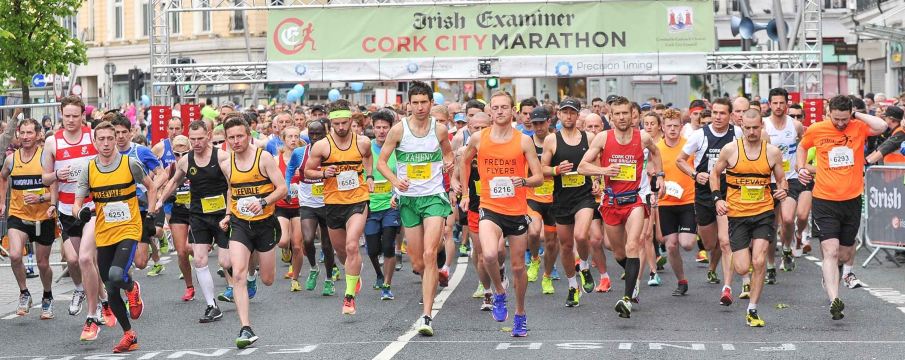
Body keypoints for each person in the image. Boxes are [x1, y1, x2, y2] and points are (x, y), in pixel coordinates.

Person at [460, 90, 543, 337]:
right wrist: (465, 194)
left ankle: (520, 313)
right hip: (490, 206)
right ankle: (498, 292)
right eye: (495, 108)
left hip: (517, 211)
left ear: (512, 111)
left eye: (504, 107)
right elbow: (464, 162)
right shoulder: (478, 139)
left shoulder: (523, 141)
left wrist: (524, 181)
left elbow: (538, 177)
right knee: (488, 254)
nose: (499, 111)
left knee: (518, 268)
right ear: (489, 111)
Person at [797, 95, 887, 320]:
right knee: (831, 251)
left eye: (844, 119)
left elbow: (882, 125)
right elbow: (802, 146)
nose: (839, 123)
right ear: (828, 113)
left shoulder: (858, 127)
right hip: (825, 199)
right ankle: (834, 300)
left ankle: (831, 276)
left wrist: (855, 115)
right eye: (836, 118)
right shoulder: (817, 129)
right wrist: (800, 167)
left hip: (852, 199)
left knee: (846, 253)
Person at [376, 82, 454, 336]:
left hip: (433, 197)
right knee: (418, 261)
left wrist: (447, 166)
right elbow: (381, 163)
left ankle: (427, 316)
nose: (420, 107)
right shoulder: (398, 131)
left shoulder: (439, 130)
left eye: (424, 102)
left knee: (429, 255)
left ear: (431, 103)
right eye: (415, 102)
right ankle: (437, 253)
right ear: (409, 104)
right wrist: (395, 181)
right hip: (409, 199)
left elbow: (449, 155)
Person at [74, 121, 156, 353]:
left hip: (129, 228)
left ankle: (132, 288)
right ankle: (129, 334)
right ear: (95, 141)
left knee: (116, 274)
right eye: (102, 139)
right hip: (104, 233)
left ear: (116, 140)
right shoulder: (89, 169)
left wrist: (149, 215)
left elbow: (150, 186)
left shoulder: (131, 164)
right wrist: (79, 211)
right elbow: (77, 203)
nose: (107, 143)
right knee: (110, 289)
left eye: (111, 138)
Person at [578, 95, 663, 319]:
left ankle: (627, 299)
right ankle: (633, 278)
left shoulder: (642, 136)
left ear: (632, 114)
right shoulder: (603, 139)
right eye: (617, 114)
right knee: (618, 251)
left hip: (634, 199)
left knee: (633, 245)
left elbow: (656, 152)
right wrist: (604, 171)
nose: (622, 117)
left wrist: (660, 175)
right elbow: (582, 166)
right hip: (611, 201)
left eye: (626, 113)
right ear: (611, 116)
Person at [710, 109, 788, 327]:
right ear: (741, 126)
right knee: (743, 268)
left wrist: (783, 190)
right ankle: (750, 275)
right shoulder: (730, 150)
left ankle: (752, 309)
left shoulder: (772, 152)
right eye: (747, 128)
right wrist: (718, 199)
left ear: (762, 125)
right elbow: (715, 174)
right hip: (737, 214)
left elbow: (782, 180)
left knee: (759, 260)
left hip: (763, 212)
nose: (752, 132)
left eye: (756, 127)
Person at [41, 96, 109, 340]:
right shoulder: (52, 142)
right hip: (66, 210)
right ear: (61, 114)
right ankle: (87, 292)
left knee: (87, 258)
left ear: (83, 116)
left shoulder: (93, 136)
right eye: (66, 116)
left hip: (91, 206)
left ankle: (98, 307)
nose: (70, 120)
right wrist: (57, 174)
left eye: (75, 116)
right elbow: (44, 178)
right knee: (72, 259)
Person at [217, 114, 287, 348]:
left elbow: (283, 188)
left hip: (265, 223)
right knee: (237, 273)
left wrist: (264, 201)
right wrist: (228, 214)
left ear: (248, 136)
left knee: (268, 279)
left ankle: (255, 273)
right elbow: (231, 190)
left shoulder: (264, 158)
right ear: (226, 140)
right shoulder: (227, 165)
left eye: (240, 136)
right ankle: (246, 328)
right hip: (240, 223)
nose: (236, 141)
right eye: (231, 138)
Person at [156, 120, 232, 323]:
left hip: (222, 215)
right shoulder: (186, 161)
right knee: (199, 259)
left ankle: (240, 283)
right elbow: (174, 181)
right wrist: (160, 200)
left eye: (200, 138)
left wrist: (230, 212)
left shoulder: (222, 157)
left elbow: (233, 185)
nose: (197, 143)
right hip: (198, 215)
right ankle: (211, 305)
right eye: (193, 139)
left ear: (208, 135)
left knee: (226, 261)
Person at [304, 99, 373, 317]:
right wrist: (323, 173)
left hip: (358, 200)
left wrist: (369, 176)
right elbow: (307, 171)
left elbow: (368, 158)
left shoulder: (362, 143)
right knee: (342, 252)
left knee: (353, 245)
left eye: (345, 123)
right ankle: (353, 273)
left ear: (351, 120)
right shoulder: (322, 146)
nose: (341, 128)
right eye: (337, 124)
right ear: (330, 124)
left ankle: (349, 297)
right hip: (333, 202)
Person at [676, 98, 739, 306]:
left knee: (726, 241)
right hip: (703, 195)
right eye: (716, 113)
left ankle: (727, 288)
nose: (718, 117)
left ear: (730, 115)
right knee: (711, 244)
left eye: (723, 113)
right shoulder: (700, 135)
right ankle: (713, 266)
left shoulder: (737, 134)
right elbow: (680, 160)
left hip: (727, 193)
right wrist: (695, 174)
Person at [541, 97, 598, 307]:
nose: (568, 116)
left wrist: (598, 181)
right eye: (564, 112)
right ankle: (573, 286)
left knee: (582, 235)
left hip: (584, 196)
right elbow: (542, 169)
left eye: (572, 112)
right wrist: (556, 170)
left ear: (578, 115)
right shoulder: (551, 140)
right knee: (565, 246)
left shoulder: (589, 137)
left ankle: (583, 266)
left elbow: (597, 164)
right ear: (559, 114)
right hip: (561, 199)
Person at [0, 118, 57, 319]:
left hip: (43, 217)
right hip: (18, 215)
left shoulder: (46, 159)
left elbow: (57, 190)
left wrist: (43, 198)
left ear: (39, 135)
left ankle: (47, 296)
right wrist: (2, 203)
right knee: (15, 255)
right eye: (22, 133)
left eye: (29, 133)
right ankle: (24, 292)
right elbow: (3, 176)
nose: (25, 137)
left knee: (43, 263)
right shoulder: (11, 160)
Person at [284, 120, 338, 295]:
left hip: (328, 202)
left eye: (318, 134)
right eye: (311, 134)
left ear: (326, 133)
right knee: (307, 240)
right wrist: (286, 187)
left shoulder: (331, 151)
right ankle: (314, 268)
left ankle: (329, 279)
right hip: (307, 202)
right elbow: (290, 168)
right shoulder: (300, 152)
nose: (315, 137)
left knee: (327, 245)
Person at [763, 88, 806, 286]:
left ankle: (787, 248)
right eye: (775, 103)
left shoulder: (795, 125)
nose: (779, 107)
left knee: (788, 219)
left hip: (790, 179)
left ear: (787, 104)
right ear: (770, 104)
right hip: (769, 182)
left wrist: (801, 165)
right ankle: (770, 266)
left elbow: (803, 146)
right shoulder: (763, 126)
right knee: (771, 227)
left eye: (782, 103)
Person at [656, 111, 698, 296]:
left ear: (681, 126)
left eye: (676, 125)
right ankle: (682, 281)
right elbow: (651, 170)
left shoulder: (689, 147)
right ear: (662, 127)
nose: (672, 129)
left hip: (688, 200)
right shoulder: (656, 148)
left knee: (687, 244)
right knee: (671, 245)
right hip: (666, 202)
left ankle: (694, 235)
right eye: (669, 126)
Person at [366, 110, 401, 300]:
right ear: (372, 128)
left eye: (385, 127)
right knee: (372, 249)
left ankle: (387, 285)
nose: (381, 131)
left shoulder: (398, 149)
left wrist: (397, 193)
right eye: (378, 127)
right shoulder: (366, 149)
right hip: (370, 206)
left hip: (391, 204)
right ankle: (379, 274)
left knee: (388, 245)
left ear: (391, 128)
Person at [524, 107, 560, 294]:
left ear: (548, 122)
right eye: (534, 123)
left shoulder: (556, 142)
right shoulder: (526, 143)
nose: (538, 127)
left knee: (553, 242)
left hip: (554, 198)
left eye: (541, 123)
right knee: (534, 231)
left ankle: (547, 276)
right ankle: (535, 259)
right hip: (532, 197)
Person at [275, 126, 304, 291]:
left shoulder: (304, 158)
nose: (293, 139)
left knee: (298, 245)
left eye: (296, 136)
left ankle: (295, 278)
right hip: (281, 206)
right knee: (283, 241)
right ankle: (286, 250)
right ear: (283, 139)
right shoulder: (275, 159)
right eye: (290, 137)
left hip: (300, 206)